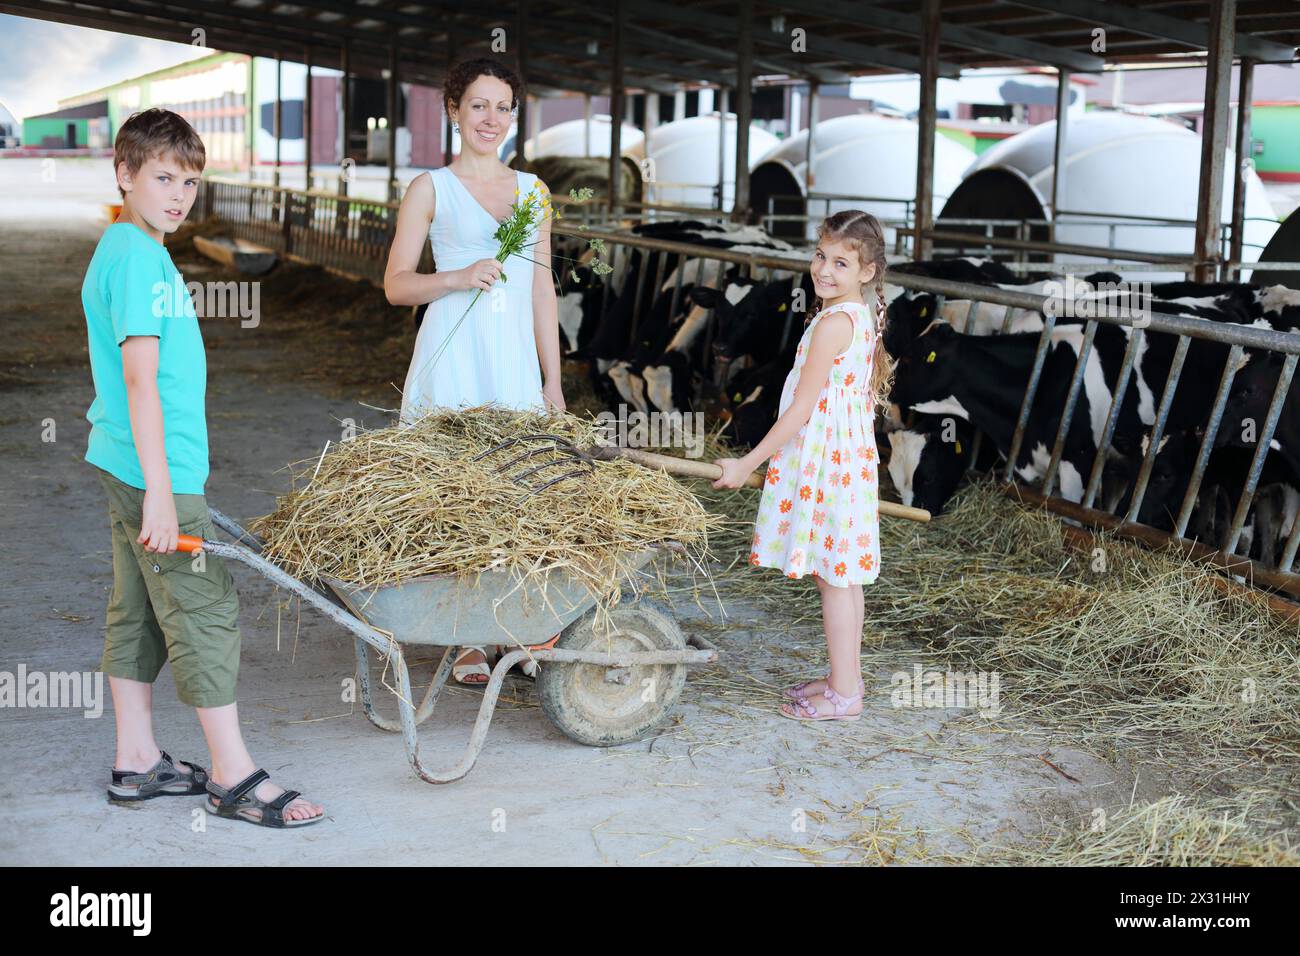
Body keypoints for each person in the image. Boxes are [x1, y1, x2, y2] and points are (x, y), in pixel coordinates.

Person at [85, 108, 324, 825]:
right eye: (162, 177)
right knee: (203, 607)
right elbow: (139, 380)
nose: (178, 194)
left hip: (129, 462)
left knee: (141, 608)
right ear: (123, 174)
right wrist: (162, 492)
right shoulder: (134, 256)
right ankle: (232, 773)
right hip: (151, 472)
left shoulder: (132, 248)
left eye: (189, 180)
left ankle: (137, 759)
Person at [384, 57, 565, 684]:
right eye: (480, 105)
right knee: (456, 496)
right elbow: (396, 286)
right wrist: (458, 277)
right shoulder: (430, 188)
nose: (492, 118)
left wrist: (553, 381)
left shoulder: (534, 192)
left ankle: (518, 627)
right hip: (452, 355)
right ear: (454, 110)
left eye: (504, 107)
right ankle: (464, 637)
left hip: (512, 358)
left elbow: (543, 292)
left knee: (522, 488)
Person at [712, 210, 892, 721]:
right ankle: (846, 680)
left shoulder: (834, 324)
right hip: (846, 462)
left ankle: (845, 696)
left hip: (827, 466)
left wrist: (747, 462)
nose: (824, 269)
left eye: (840, 262)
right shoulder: (857, 315)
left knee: (835, 579)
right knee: (842, 577)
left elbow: (800, 409)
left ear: (867, 272)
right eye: (820, 255)